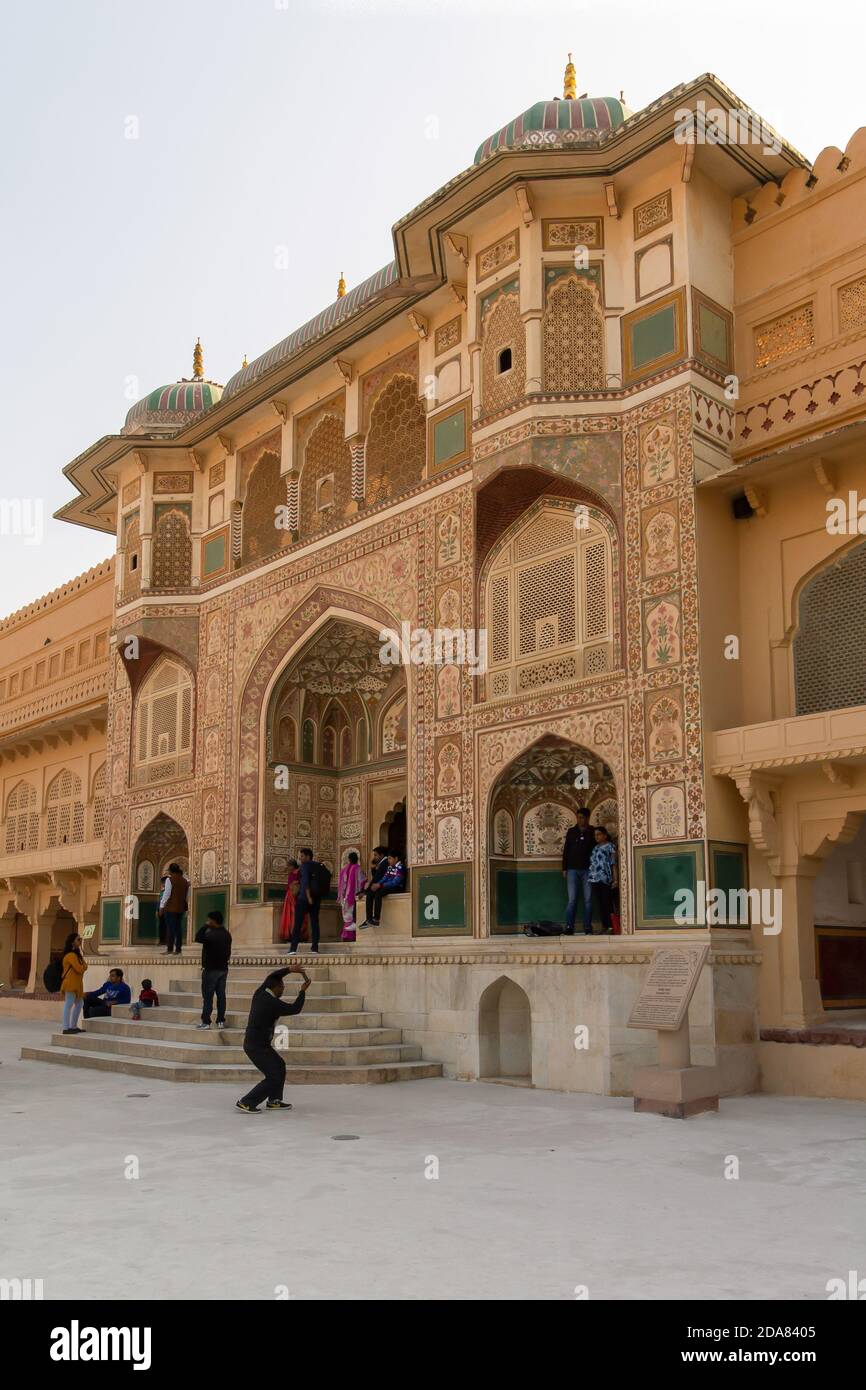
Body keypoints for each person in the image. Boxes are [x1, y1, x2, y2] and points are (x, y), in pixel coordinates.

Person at [236, 966, 311, 1113]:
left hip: (258, 1044)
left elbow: (272, 975)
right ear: (276, 987)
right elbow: (295, 1008)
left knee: (279, 1065)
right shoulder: (271, 1003)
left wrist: (289, 969)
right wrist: (302, 991)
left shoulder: (260, 992)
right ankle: (246, 1102)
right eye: (282, 987)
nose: (283, 990)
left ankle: (274, 1101)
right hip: (256, 1047)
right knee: (273, 1076)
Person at [195, 910, 233, 1029]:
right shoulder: (227, 934)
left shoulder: (210, 935)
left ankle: (206, 1021)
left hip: (211, 970)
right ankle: (220, 1020)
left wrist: (205, 926)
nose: (207, 921)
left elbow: (198, 938)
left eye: (209, 919)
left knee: (208, 997)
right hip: (223, 969)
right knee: (221, 996)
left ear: (213, 920)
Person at [562, 808, 595, 935]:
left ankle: (587, 927)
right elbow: (566, 851)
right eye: (578, 817)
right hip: (572, 869)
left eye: (582, 817)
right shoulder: (571, 831)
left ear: (587, 818)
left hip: (588, 869)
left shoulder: (592, 831)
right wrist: (564, 868)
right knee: (572, 900)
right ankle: (570, 927)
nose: (580, 820)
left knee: (588, 900)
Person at [287, 848, 325, 955]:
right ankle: (314, 948)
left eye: (302, 856)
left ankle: (293, 948)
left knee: (297, 923)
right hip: (317, 898)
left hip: (305, 898)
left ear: (308, 856)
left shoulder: (305, 866)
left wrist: (308, 898)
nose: (300, 858)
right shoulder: (319, 866)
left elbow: (305, 882)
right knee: (314, 923)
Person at [588, 826, 618, 935]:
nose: (596, 837)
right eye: (595, 835)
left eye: (599, 834)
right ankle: (604, 926)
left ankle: (611, 926)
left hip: (605, 879)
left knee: (607, 903)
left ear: (605, 835)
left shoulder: (610, 846)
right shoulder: (595, 848)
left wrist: (615, 880)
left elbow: (613, 864)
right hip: (594, 879)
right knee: (600, 904)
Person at [365, 852, 405, 925]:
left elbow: (395, 882)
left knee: (378, 893)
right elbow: (385, 878)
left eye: (390, 858)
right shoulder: (390, 867)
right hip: (386, 886)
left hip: (396, 887)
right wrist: (377, 884)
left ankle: (376, 918)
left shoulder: (400, 867)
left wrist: (380, 885)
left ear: (396, 858)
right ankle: (369, 919)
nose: (388, 860)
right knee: (370, 893)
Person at [60, 932, 88, 1035]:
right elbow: (80, 968)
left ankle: (73, 1026)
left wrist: (83, 966)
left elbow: (84, 966)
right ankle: (66, 1027)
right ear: (72, 942)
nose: (80, 941)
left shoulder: (77, 955)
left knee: (79, 1003)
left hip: (77, 983)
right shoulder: (70, 955)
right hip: (70, 983)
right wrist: (83, 967)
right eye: (78, 940)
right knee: (69, 1004)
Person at [158, 862, 189, 955]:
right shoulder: (184, 881)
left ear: (170, 871)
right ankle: (178, 949)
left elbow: (166, 894)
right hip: (181, 908)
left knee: (170, 929)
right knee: (178, 929)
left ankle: (170, 949)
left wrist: (161, 907)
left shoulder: (169, 880)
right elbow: (187, 894)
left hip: (170, 908)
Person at [358, 846, 388, 928]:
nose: (374, 857)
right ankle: (369, 919)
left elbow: (376, 879)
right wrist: (373, 869)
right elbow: (377, 876)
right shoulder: (382, 863)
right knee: (370, 894)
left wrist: (365, 891)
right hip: (381, 884)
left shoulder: (384, 863)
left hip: (385, 885)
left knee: (371, 894)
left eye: (375, 855)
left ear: (381, 855)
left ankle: (371, 919)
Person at [338, 852, 365, 943]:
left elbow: (341, 883)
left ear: (349, 859)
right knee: (353, 916)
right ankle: (352, 936)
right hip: (354, 896)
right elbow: (362, 880)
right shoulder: (357, 868)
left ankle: (346, 935)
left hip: (345, 896)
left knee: (347, 916)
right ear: (357, 859)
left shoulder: (344, 869)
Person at [278, 859, 301, 943]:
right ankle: (291, 935)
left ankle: (294, 935)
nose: (288, 868)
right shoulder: (294, 873)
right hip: (291, 896)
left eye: (289, 866)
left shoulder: (297, 873)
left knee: (293, 915)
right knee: (291, 915)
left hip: (294, 895)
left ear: (292, 866)